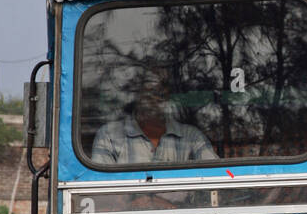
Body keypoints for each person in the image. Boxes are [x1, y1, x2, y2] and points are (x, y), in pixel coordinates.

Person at [90, 71, 218, 166]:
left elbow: (215, 177)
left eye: (159, 94)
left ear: (168, 99)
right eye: (147, 93)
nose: (153, 101)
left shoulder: (191, 137)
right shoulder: (110, 135)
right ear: (137, 96)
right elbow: (100, 187)